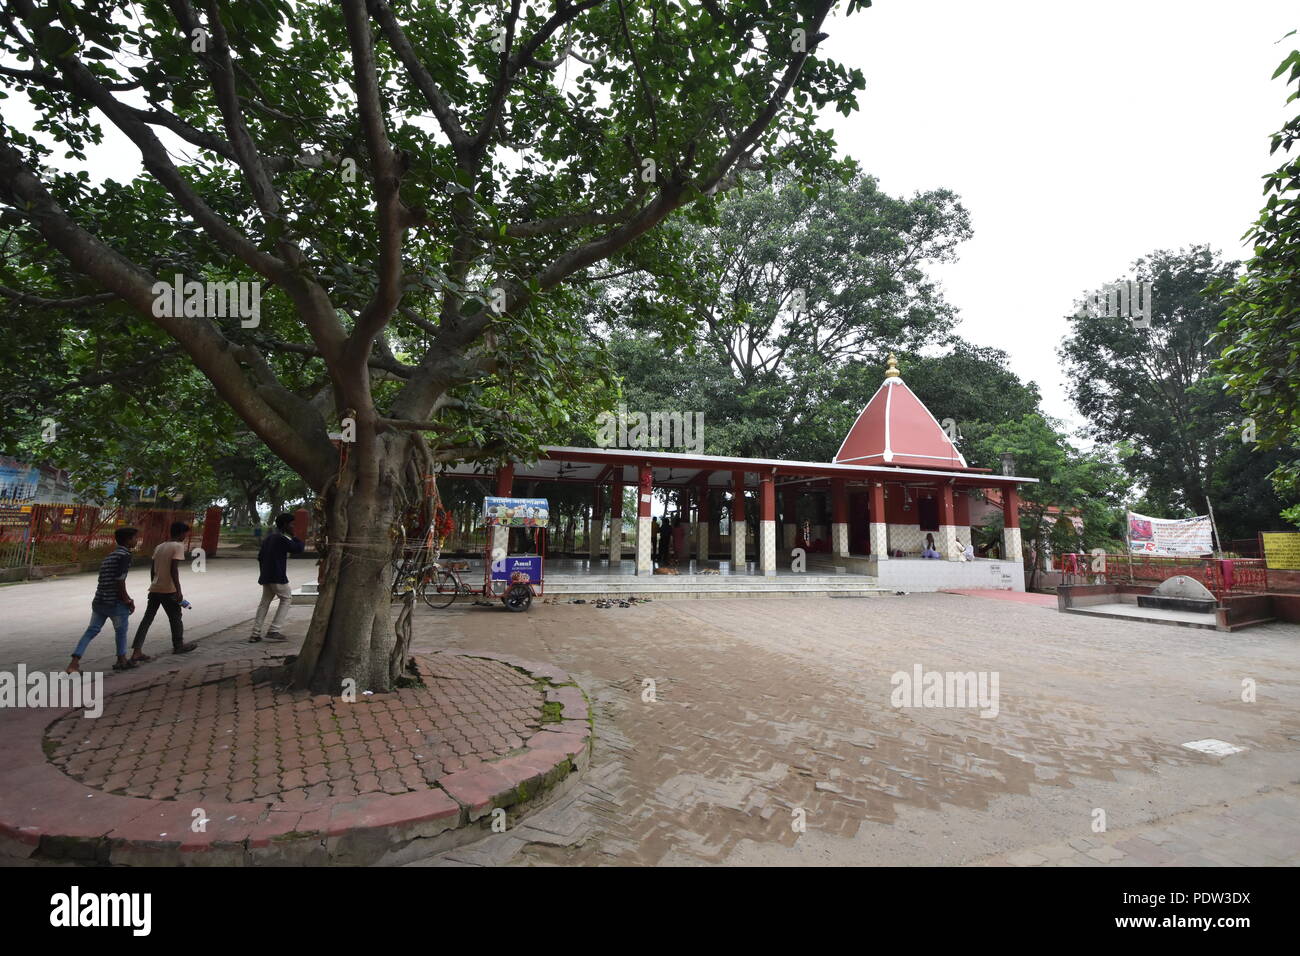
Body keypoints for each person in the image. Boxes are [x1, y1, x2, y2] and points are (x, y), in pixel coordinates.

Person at [67, 526, 140, 673]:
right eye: (135, 538)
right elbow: (120, 580)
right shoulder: (125, 555)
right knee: (121, 631)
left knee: (91, 631)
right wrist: (127, 600)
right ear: (128, 540)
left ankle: (74, 663)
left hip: (99, 600)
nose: (136, 540)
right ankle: (122, 659)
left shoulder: (110, 556)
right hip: (115, 602)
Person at [131, 521, 197, 659]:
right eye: (185, 533)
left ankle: (137, 650)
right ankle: (178, 645)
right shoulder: (178, 546)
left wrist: (154, 583)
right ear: (180, 533)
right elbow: (174, 569)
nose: (185, 536)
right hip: (169, 589)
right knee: (175, 618)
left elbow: (152, 568)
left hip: (155, 588)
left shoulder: (160, 546)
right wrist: (178, 590)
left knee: (147, 619)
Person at [249, 512, 305, 643]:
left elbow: (260, 557)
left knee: (264, 603)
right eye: (292, 524)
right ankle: (274, 630)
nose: (293, 527)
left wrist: (264, 572)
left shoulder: (269, 538)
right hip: (277, 576)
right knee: (286, 599)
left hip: (266, 576)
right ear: (285, 525)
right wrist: (295, 537)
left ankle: (255, 633)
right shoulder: (282, 539)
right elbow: (298, 549)